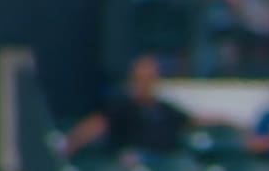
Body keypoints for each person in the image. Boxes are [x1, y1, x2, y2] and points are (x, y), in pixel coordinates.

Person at [62, 55, 219, 158]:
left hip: (163, 161)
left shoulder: (167, 110)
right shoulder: (121, 108)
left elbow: (195, 121)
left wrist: (231, 123)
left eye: (150, 78)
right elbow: (95, 126)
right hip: (133, 160)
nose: (145, 84)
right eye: (141, 79)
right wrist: (69, 146)